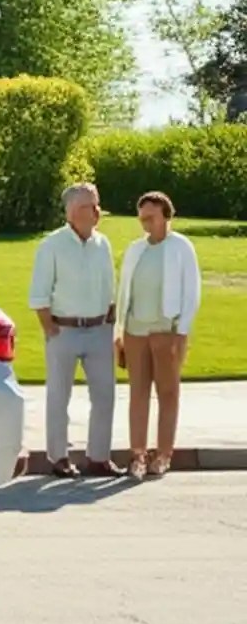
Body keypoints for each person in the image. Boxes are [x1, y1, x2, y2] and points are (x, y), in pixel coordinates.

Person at [28, 183, 120, 478]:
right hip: (63, 331)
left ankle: (98, 458)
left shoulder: (103, 244)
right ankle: (59, 459)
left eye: (96, 205)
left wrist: (111, 325)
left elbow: (110, 288)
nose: (96, 212)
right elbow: (39, 294)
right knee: (59, 397)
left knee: (105, 395)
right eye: (88, 206)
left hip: (98, 330)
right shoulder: (51, 246)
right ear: (71, 213)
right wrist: (50, 328)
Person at [114, 191, 201, 479]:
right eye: (141, 219)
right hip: (136, 329)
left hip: (167, 329)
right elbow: (124, 291)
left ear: (165, 214)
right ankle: (138, 454)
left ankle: (164, 454)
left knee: (167, 392)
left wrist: (181, 331)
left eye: (150, 218)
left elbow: (192, 293)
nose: (145, 224)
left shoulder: (181, 248)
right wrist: (120, 333)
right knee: (138, 393)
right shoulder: (135, 249)